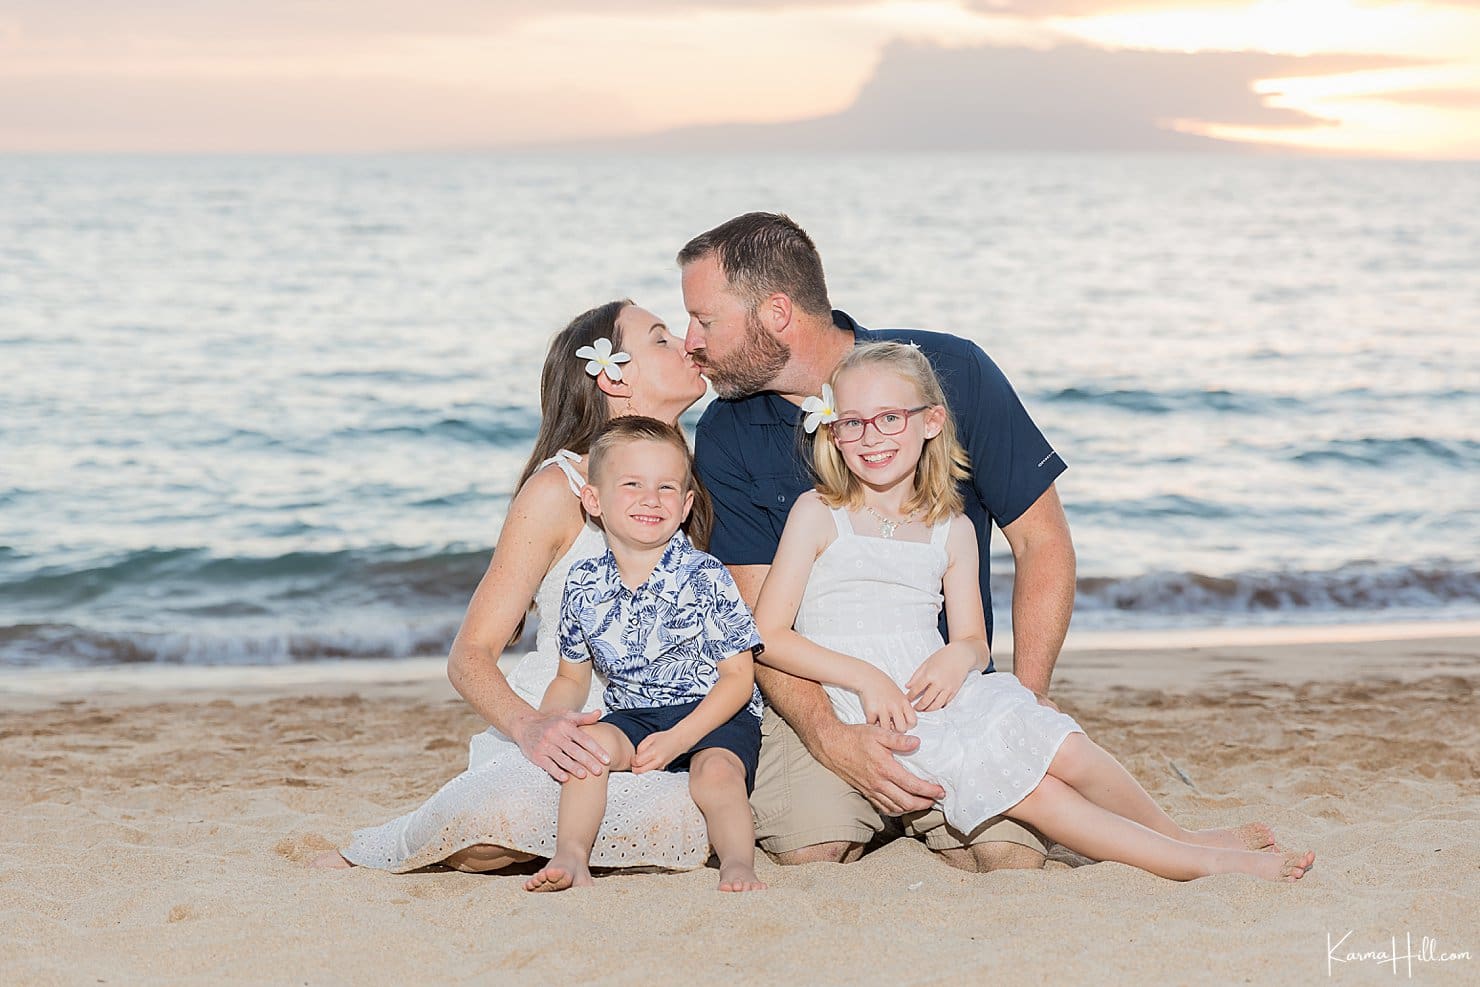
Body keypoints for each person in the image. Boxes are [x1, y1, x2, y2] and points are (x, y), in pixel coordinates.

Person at [754, 343, 1314, 881]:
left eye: (889, 419)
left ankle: (1178, 837)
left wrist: (958, 656)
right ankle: (1200, 864)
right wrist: (866, 676)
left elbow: (973, 640)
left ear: (930, 422)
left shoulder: (951, 528)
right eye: (852, 422)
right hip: (873, 707)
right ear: (832, 429)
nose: (870, 438)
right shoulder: (820, 514)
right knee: (1036, 791)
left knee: (1065, 745)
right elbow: (769, 635)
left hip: (943, 695)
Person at [680, 211, 1077, 871]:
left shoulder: (951, 371)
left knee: (1014, 859)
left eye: (705, 319)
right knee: (810, 851)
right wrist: (833, 737)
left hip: (948, 696)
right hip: (825, 698)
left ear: (776, 313)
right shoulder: (727, 431)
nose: (692, 340)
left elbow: (1042, 543)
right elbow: (757, 624)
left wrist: (1023, 707)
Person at [313, 300, 718, 873]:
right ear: (612, 375)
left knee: (685, 819)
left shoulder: (691, 479)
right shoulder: (561, 490)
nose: (685, 343)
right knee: (495, 818)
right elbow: (469, 655)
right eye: (660, 338)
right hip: (565, 723)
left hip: (659, 730)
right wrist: (531, 728)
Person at [525, 416, 765, 893]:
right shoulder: (584, 583)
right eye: (632, 484)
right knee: (587, 753)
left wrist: (680, 739)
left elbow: (738, 677)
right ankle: (571, 855)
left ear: (685, 505)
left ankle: (739, 862)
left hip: (712, 710)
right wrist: (553, 720)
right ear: (594, 500)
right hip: (632, 711)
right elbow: (572, 676)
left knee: (715, 774)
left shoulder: (704, 575)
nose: (651, 498)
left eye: (667, 487)